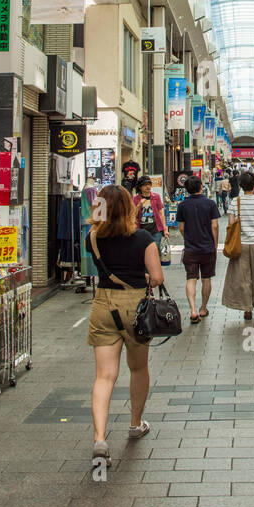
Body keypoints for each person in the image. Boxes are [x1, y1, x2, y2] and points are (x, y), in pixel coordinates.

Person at [85, 185, 162, 467]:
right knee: (138, 367)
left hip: (104, 306)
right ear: (130, 208)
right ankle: (135, 422)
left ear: (100, 207)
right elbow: (156, 277)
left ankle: (99, 438)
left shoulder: (91, 238)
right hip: (136, 308)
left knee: (104, 376)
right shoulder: (142, 238)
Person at [223, 171, 254, 320]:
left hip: (241, 245)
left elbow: (230, 225)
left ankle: (247, 308)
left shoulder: (235, 202)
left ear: (241, 185)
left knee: (243, 278)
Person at [176, 175, 221, 324]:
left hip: (190, 248)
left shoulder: (182, 205)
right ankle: (203, 308)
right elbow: (214, 226)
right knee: (206, 278)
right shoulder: (210, 204)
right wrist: (214, 244)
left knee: (191, 278)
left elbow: (181, 227)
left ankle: (193, 310)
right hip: (207, 248)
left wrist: (188, 237)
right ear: (201, 187)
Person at [132, 176, 167, 255]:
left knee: (155, 252)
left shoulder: (156, 197)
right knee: (142, 252)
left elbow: (161, 213)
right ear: (140, 187)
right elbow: (132, 215)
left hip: (156, 230)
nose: (148, 187)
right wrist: (139, 205)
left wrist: (165, 229)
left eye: (149, 184)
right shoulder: (136, 199)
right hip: (141, 230)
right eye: (145, 185)